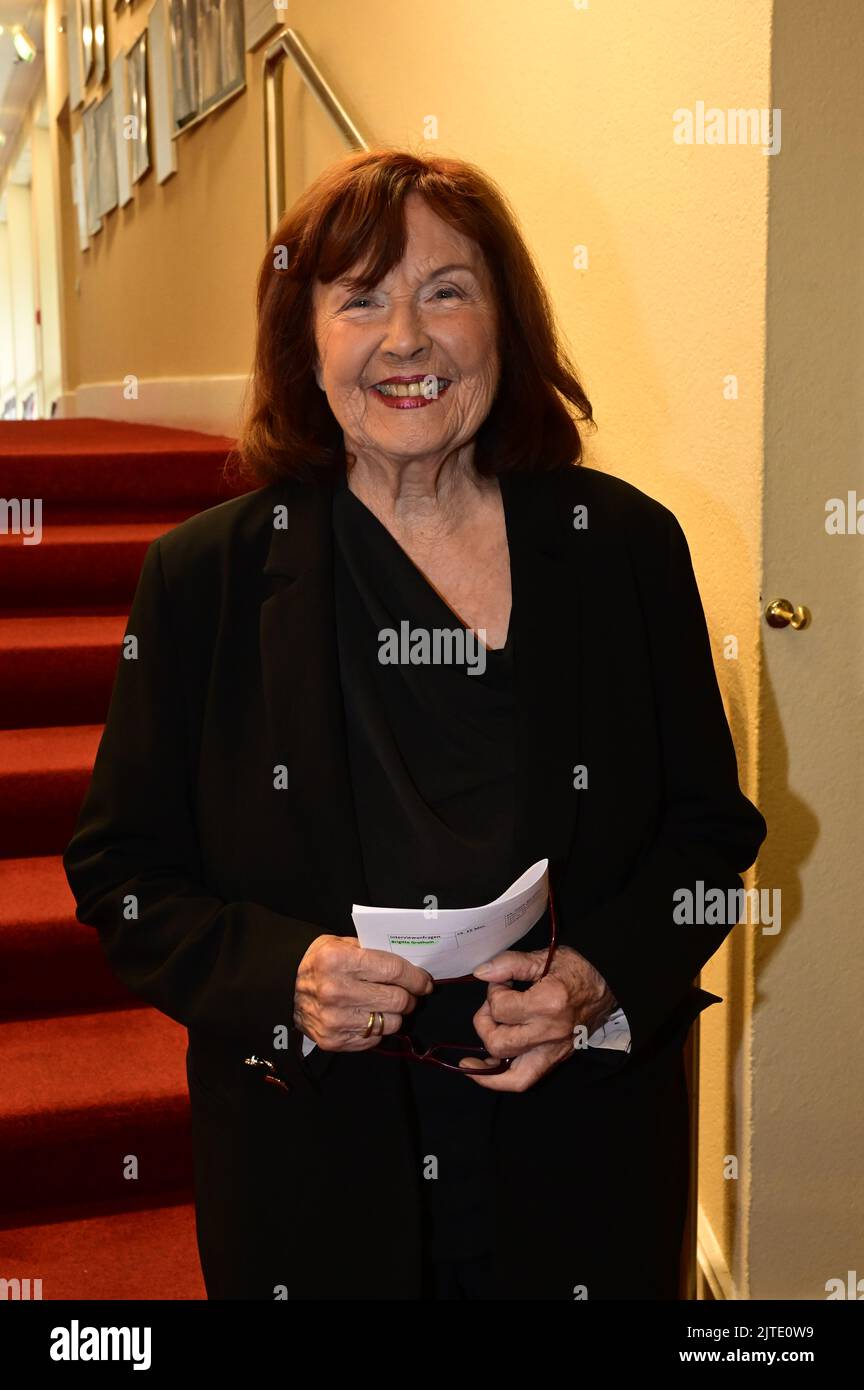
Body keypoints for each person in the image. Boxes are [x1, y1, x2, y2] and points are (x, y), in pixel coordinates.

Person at [63, 147, 767, 1301]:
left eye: (447, 289)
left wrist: (597, 975)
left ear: (508, 323)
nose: (407, 339)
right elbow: (120, 869)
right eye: (361, 299)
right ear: (307, 340)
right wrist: (282, 973)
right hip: (314, 1168)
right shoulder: (207, 578)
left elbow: (708, 835)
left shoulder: (626, 547)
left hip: (580, 1150)